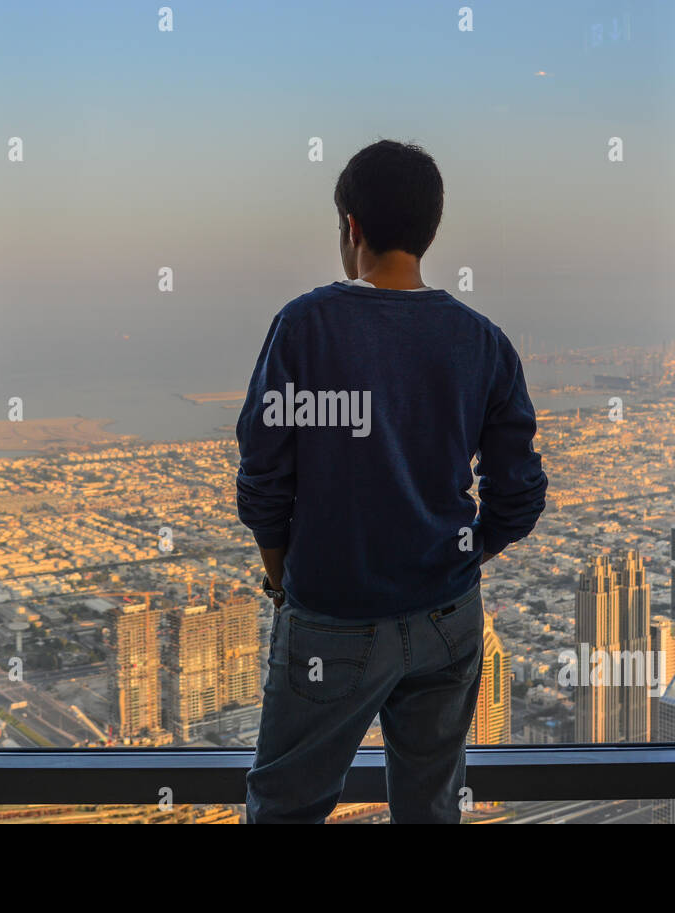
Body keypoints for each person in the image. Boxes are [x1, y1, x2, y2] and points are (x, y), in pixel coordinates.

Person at [235, 139, 548, 823]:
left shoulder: (305, 325)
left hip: (332, 617)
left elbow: (263, 472)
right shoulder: (482, 341)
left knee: (286, 805)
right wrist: (461, 554)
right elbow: (519, 494)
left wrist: (279, 571)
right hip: (448, 617)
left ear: (351, 226)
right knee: (431, 807)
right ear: (429, 229)